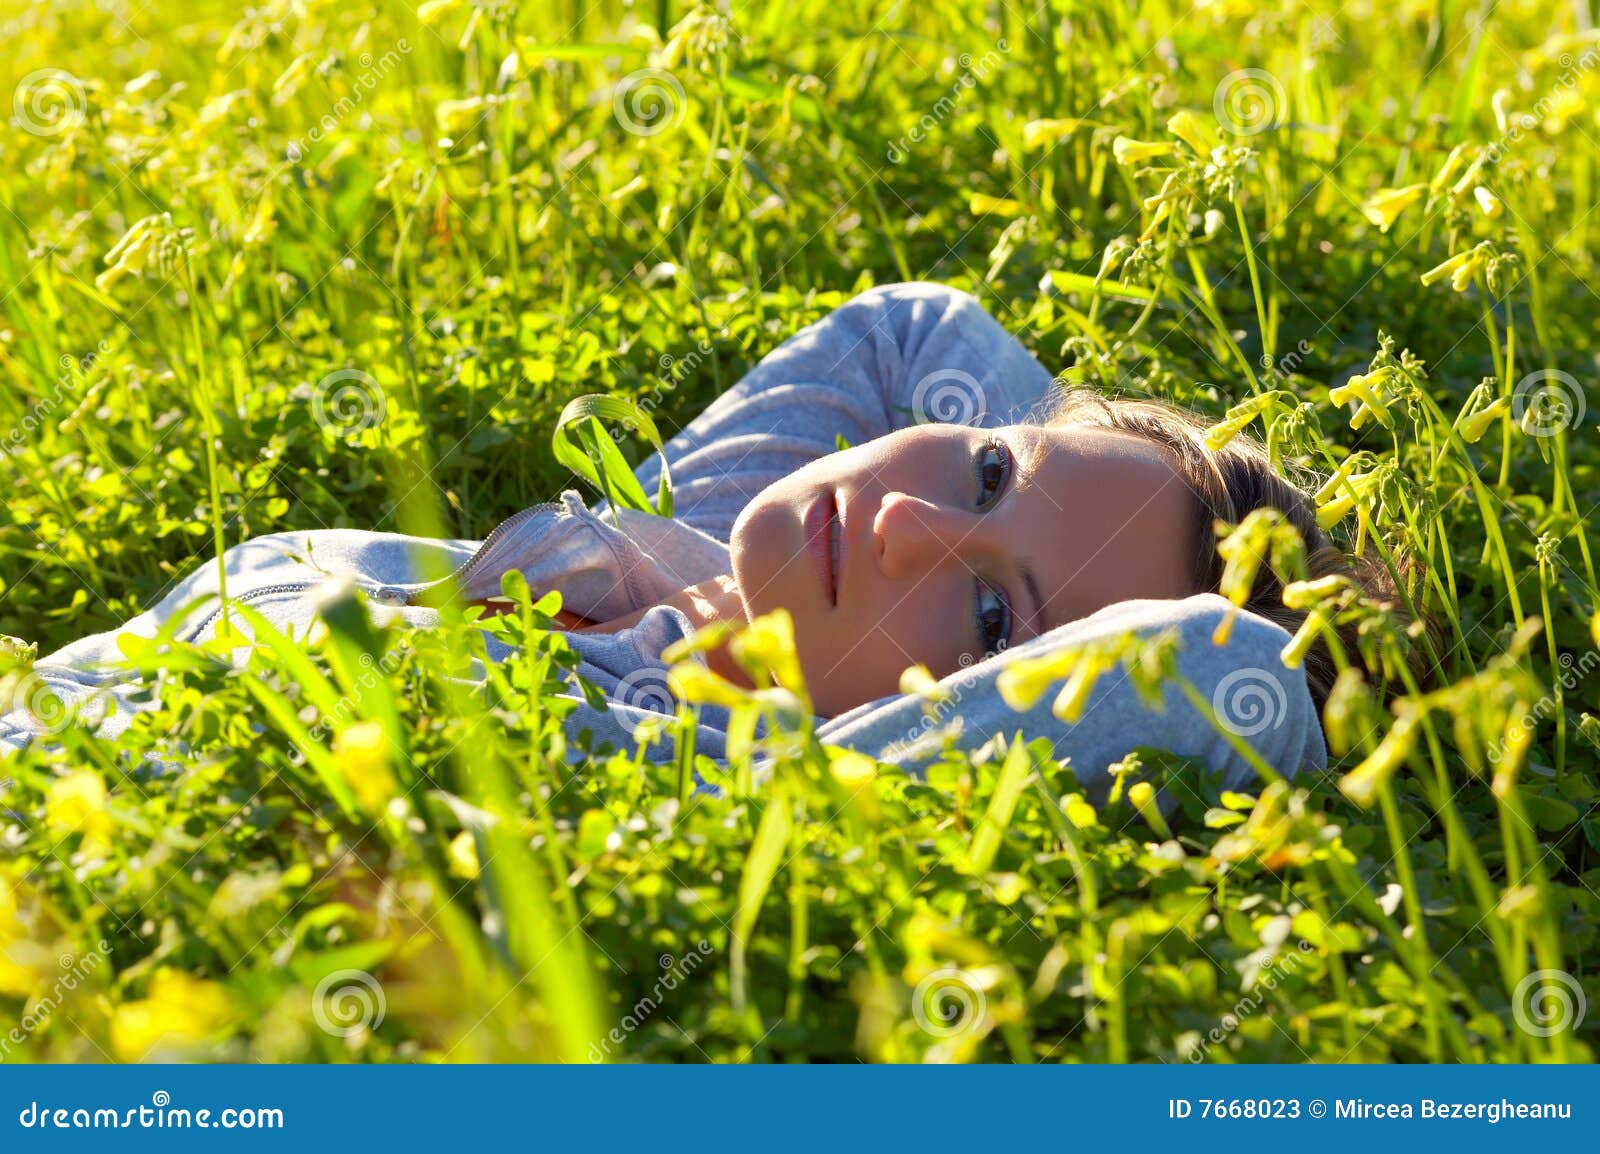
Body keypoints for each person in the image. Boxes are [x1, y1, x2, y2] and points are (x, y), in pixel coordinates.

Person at [2, 283, 1371, 797]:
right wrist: (1089, 465)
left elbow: (1206, 663)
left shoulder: (718, 778)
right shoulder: (732, 535)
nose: (903, 522)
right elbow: (912, 331)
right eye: (986, 470)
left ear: (989, 715)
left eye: (995, 616)